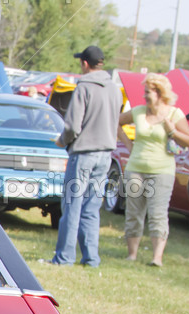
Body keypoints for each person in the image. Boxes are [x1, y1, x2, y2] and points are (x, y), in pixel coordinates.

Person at [50, 46, 122, 267]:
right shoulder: (115, 89)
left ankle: (64, 257)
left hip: (83, 154)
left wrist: (62, 140)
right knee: (91, 208)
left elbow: (72, 126)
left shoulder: (84, 87)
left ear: (85, 63)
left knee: (72, 205)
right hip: (105, 154)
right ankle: (91, 258)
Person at [118, 73, 189, 267]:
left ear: (160, 94)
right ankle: (132, 254)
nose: (144, 96)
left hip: (162, 170)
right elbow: (116, 122)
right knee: (134, 212)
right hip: (135, 168)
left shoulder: (174, 114)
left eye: (148, 92)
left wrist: (172, 131)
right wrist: (128, 145)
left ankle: (156, 257)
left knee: (157, 213)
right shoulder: (138, 112)